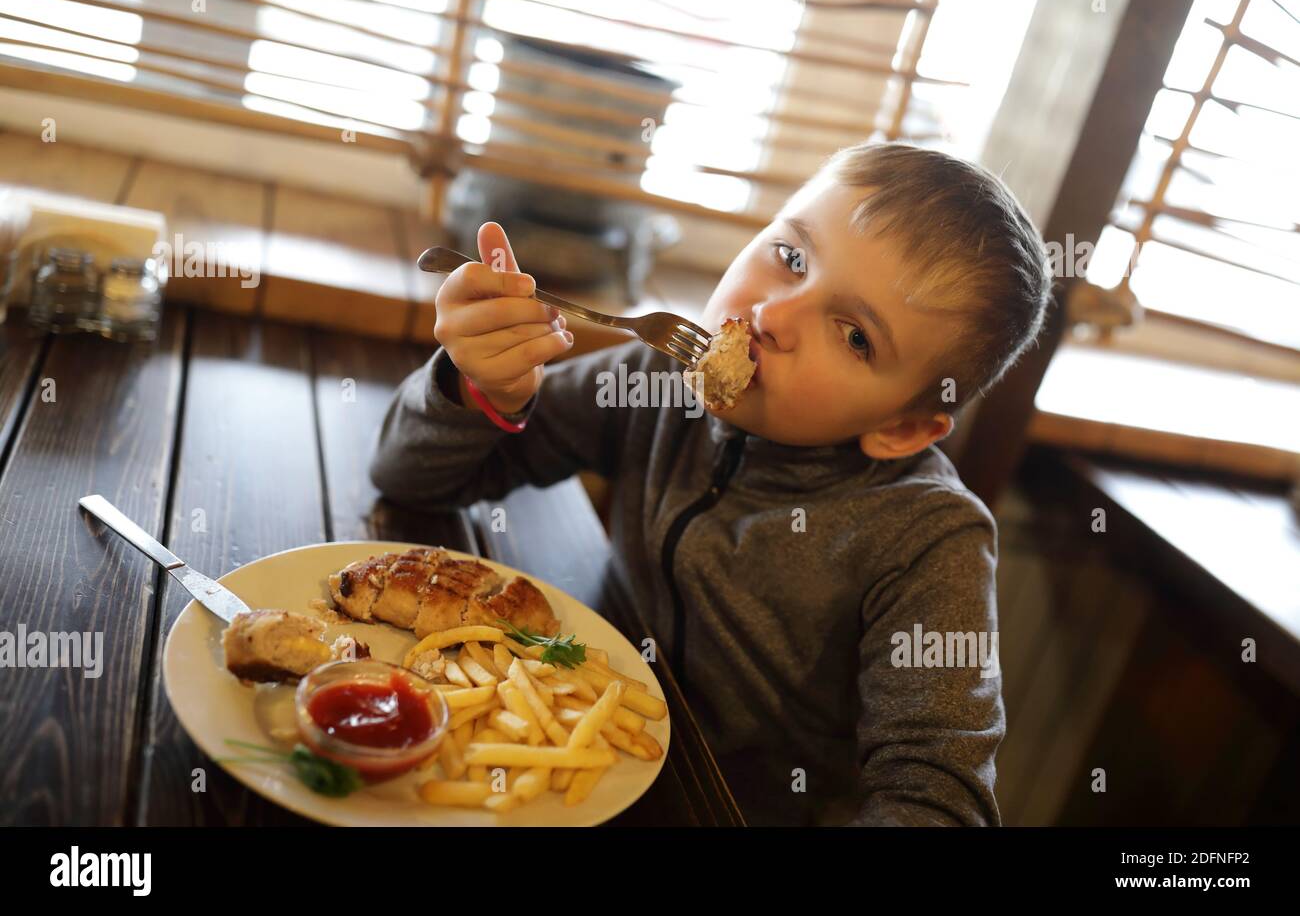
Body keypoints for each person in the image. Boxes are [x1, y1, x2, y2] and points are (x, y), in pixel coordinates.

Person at [369, 141, 1052, 825]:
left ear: (902, 430)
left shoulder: (930, 540)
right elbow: (409, 477)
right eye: (791, 258)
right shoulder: (655, 383)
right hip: (563, 759)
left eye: (854, 336)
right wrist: (480, 384)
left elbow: (939, 793)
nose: (774, 317)